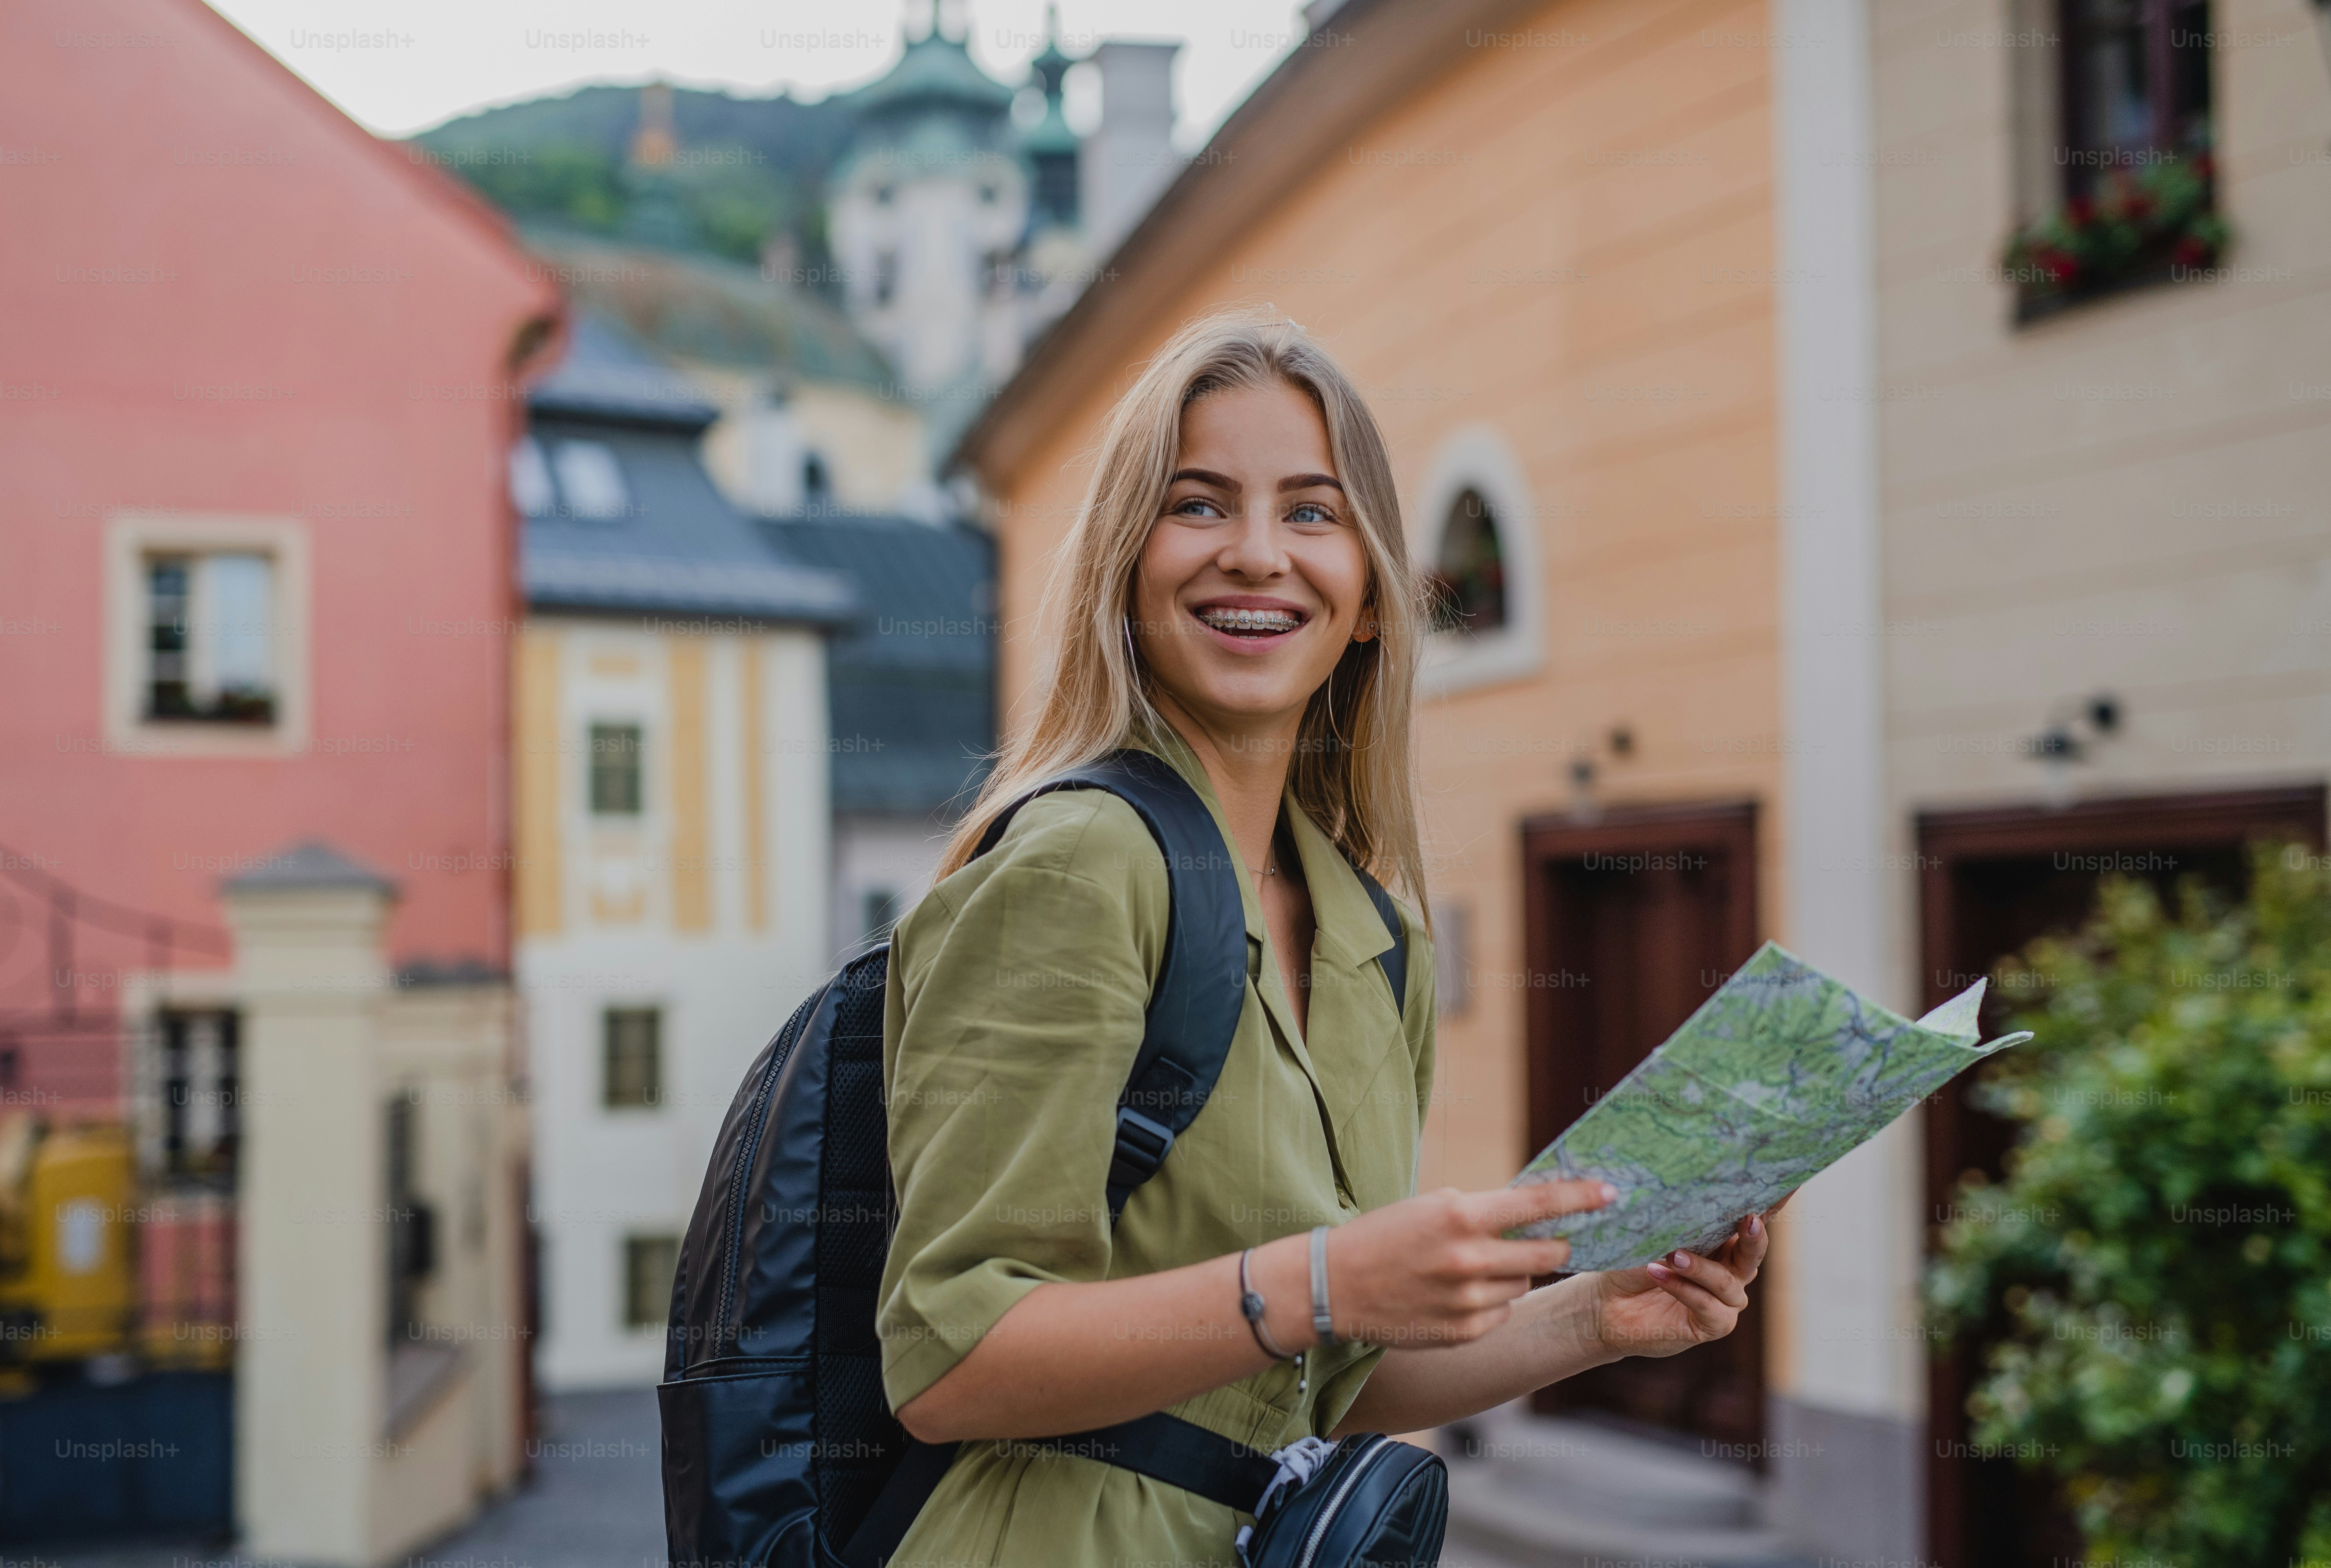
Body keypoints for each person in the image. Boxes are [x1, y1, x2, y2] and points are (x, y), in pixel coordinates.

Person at [876, 308, 1773, 1568]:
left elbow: (1327, 1381)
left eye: (1311, 511)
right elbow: (948, 1357)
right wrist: (1322, 1278)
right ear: (1123, 571)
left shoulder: (1373, 932)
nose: (1257, 555)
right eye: (1196, 505)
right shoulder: (1079, 865)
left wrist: (1588, 1321)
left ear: (1366, 596)